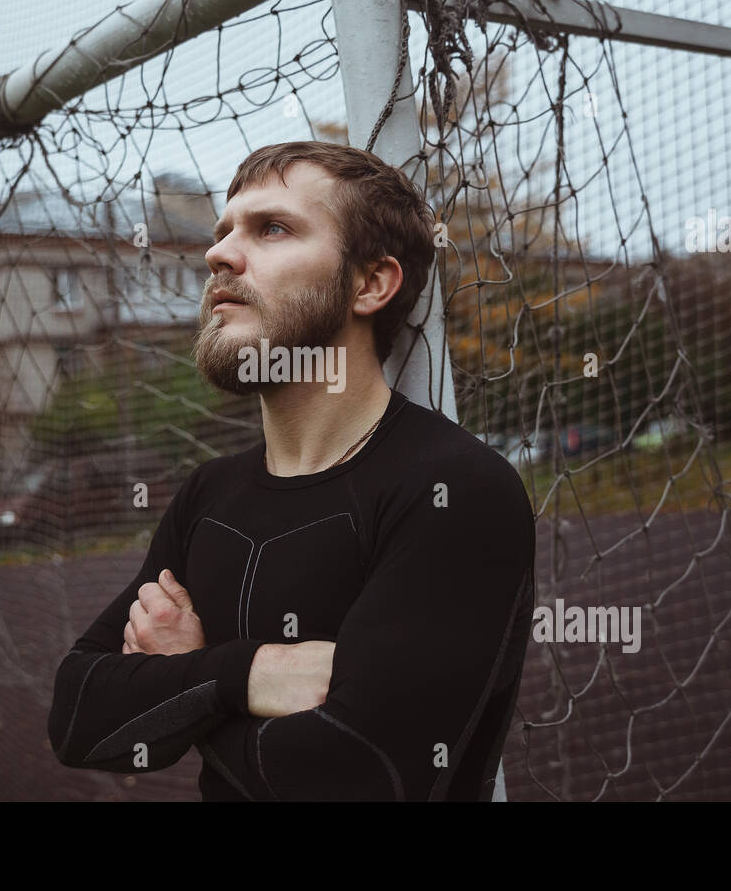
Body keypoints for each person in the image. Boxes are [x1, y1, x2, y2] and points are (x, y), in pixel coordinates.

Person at [48, 140, 536, 800]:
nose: (217, 254)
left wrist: (183, 683)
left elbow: (360, 774)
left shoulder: (454, 490)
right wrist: (244, 675)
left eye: (272, 229)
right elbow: (80, 720)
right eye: (223, 232)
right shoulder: (208, 495)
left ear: (370, 284)